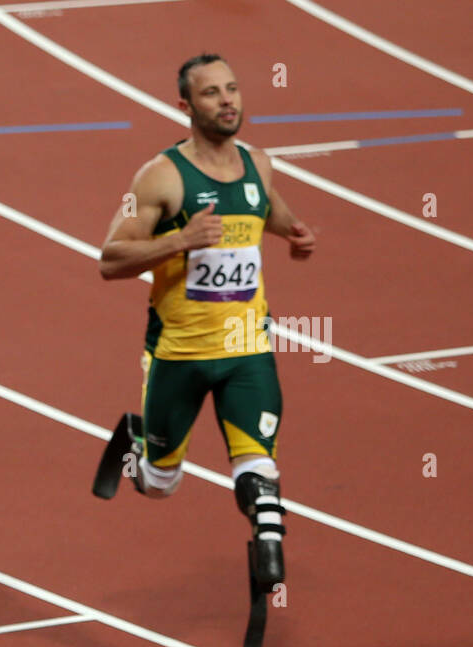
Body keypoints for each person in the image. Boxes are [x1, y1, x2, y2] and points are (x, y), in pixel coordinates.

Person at [93, 53, 316, 596]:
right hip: (179, 355)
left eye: (233, 89)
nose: (228, 101)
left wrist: (294, 233)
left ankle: (266, 531)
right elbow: (109, 259)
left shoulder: (258, 163)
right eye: (213, 93)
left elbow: (266, 207)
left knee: (261, 476)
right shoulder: (160, 176)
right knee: (160, 485)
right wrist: (181, 240)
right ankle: (136, 447)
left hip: (247, 349)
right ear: (186, 106)